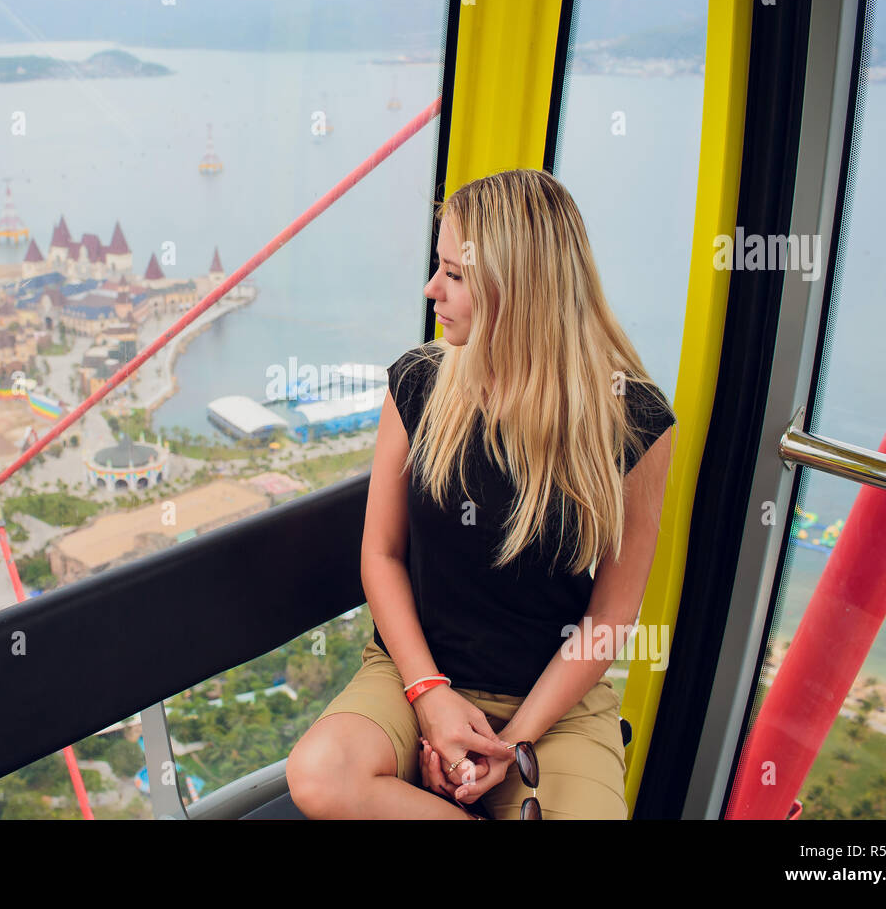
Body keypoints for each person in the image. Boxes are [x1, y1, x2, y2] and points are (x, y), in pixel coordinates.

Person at [285, 169, 676, 819]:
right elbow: (380, 556)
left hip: (554, 700)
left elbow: (610, 618)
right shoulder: (419, 384)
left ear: (518, 288)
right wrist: (430, 696)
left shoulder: (632, 423)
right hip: (415, 675)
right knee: (323, 774)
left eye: (455, 275)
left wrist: (516, 739)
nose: (431, 289)